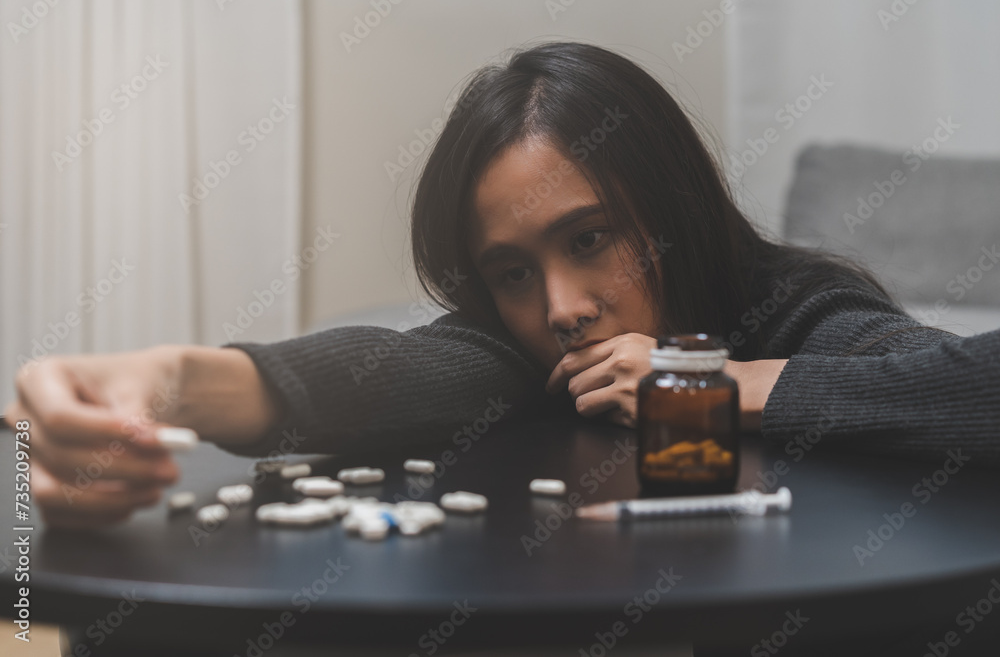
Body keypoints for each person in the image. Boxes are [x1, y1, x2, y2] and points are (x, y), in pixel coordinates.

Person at [5, 41, 1000, 529]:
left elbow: (966, 384)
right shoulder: (514, 354)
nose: (561, 307)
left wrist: (719, 383)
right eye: (513, 273)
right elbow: (388, 370)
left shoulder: (791, 304)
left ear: (672, 209)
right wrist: (163, 381)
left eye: (593, 237)